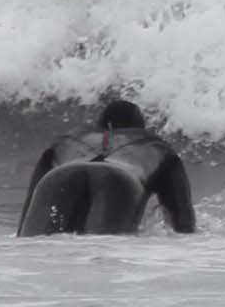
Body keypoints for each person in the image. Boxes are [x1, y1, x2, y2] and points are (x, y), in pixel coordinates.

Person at [15, 97, 199, 235]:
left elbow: (25, 218)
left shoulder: (66, 141)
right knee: (101, 264)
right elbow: (183, 224)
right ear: (140, 126)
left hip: (56, 178)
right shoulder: (156, 145)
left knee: (35, 253)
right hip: (119, 178)